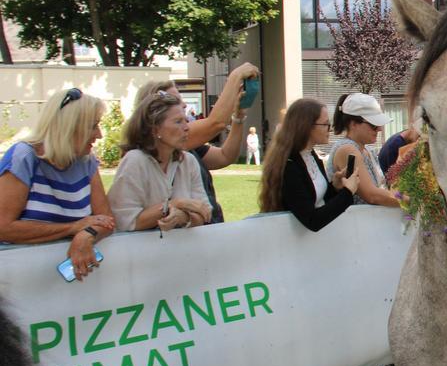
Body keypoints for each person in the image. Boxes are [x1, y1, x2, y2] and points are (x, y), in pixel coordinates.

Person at [259, 98, 360, 366]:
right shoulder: (288, 164)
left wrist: (335, 188)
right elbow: (311, 219)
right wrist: (348, 195)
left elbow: (319, 202)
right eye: (322, 124)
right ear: (306, 126)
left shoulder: (311, 158)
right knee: (293, 331)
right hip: (290, 259)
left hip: (309, 259)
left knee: (308, 330)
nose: (327, 129)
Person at [328, 93, 401, 366]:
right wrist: (409, 201)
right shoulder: (347, 149)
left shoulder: (362, 150)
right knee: (368, 307)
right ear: (354, 123)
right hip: (357, 242)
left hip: (365, 239)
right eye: (372, 125)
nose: (378, 131)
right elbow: (370, 194)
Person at [0, 88, 114, 281]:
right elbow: (3, 227)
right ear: (69, 127)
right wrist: (72, 228)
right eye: (93, 126)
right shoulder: (24, 157)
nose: (100, 134)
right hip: (18, 281)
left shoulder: (87, 162)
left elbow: (107, 220)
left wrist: (86, 234)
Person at [136, 63, 258, 223]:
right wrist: (235, 78)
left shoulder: (185, 147)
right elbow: (216, 123)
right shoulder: (170, 137)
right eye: (175, 101)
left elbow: (225, 156)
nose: (184, 104)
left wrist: (238, 117)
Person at [108, 91, 212, 232]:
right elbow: (126, 221)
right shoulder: (135, 161)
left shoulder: (188, 161)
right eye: (178, 122)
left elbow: (205, 213)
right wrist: (173, 205)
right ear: (155, 129)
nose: (187, 127)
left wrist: (183, 217)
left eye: (185, 120)